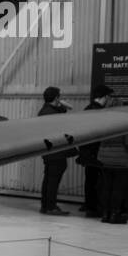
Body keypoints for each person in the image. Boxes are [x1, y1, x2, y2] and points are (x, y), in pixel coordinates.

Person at [95, 94, 128, 224]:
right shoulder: (125, 122)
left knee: (106, 187)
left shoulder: (103, 121)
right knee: (118, 189)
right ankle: (115, 214)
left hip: (104, 159)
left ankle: (105, 214)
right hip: (121, 160)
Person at [37, 86, 75, 215]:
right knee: (53, 180)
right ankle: (51, 206)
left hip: (49, 151)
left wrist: (63, 106)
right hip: (56, 151)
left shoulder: (45, 111)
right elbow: (62, 128)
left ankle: (46, 205)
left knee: (48, 178)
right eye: (60, 96)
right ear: (56, 97)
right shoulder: (52, 114)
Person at [76, 84, 112, 217]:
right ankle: (95, 207)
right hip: (96, 152)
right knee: (98, 181)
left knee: (90, 180)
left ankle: (89, 205)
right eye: (108, 96)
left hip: (87, 151)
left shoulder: (87, 109)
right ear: (104, 97)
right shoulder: (100, 112)